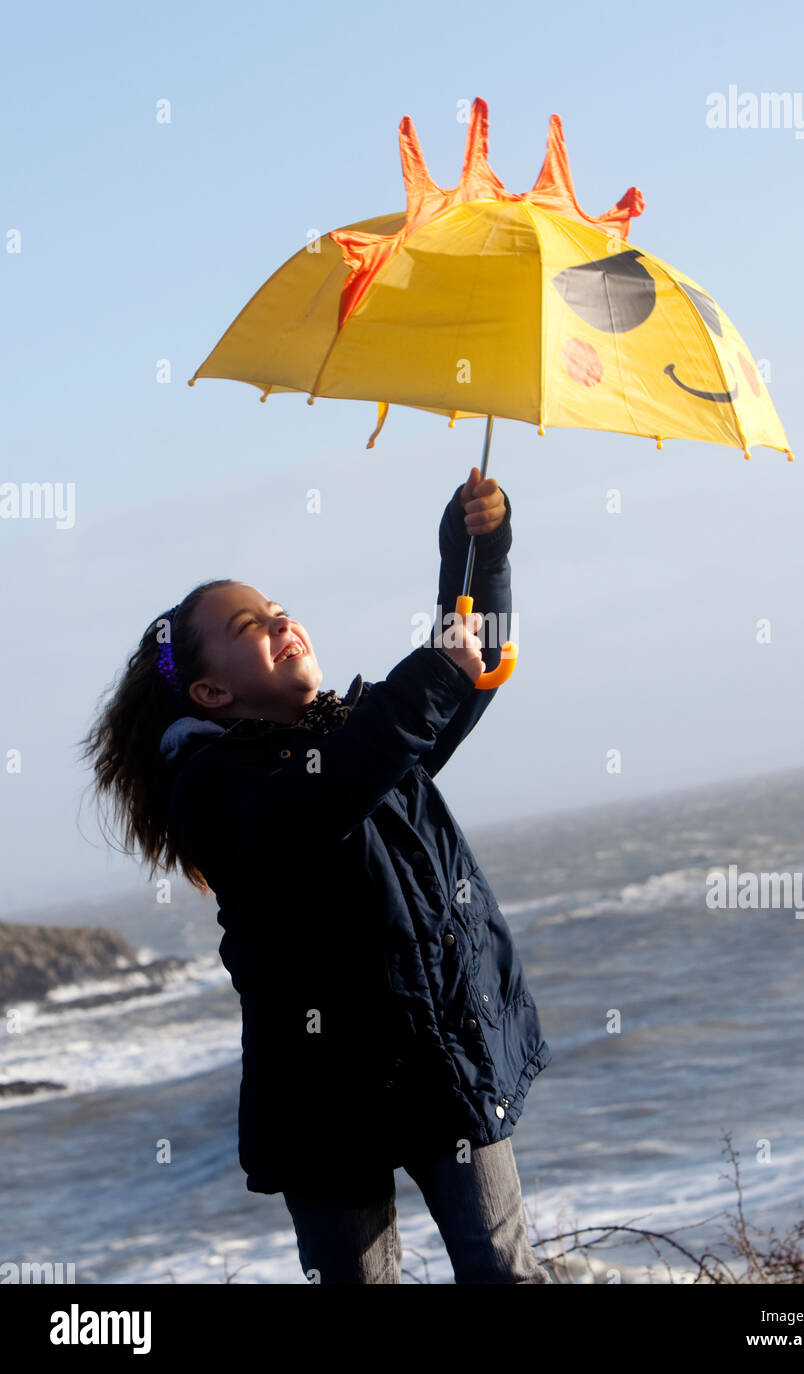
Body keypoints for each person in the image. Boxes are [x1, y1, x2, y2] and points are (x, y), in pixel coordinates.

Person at [79, 468, 553, 1284]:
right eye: (248, 625)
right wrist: (433, 674)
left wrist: (477, 552)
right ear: (210, 691)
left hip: (440, 1057)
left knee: (504, 1271)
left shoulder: (363, 731)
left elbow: (469, 666)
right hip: (321, 1092)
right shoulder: (212, 785)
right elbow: (319, 794)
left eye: (278, 608)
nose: (280, 622)